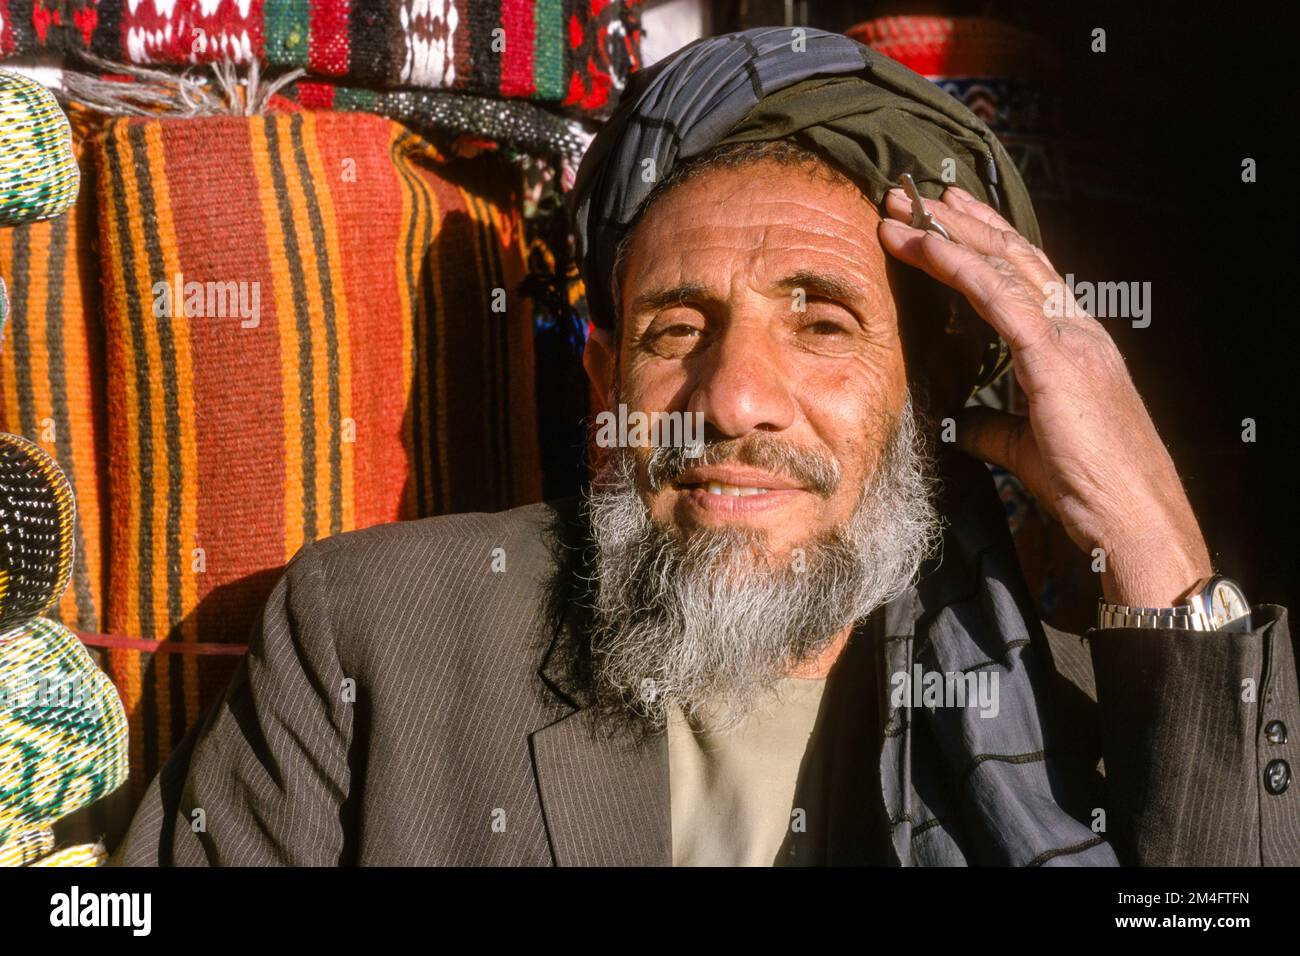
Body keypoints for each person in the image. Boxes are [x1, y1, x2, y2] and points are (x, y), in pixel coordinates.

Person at [119, 28, 1299, 866]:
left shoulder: (1089, 721)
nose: (732, 398)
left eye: (821, 322)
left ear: (920, 392)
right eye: (674, 329)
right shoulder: (379, 637)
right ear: (602, 383)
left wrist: (1151, 529)